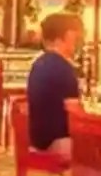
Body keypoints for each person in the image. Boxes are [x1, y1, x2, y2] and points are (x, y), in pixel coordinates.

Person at [26, 13, 84, 159]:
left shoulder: (38, 64)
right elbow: (76, 116)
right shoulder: (63, 69)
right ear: (65, 38)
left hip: (39, 140)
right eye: (74, 37)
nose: (77, 42)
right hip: (59, 142)